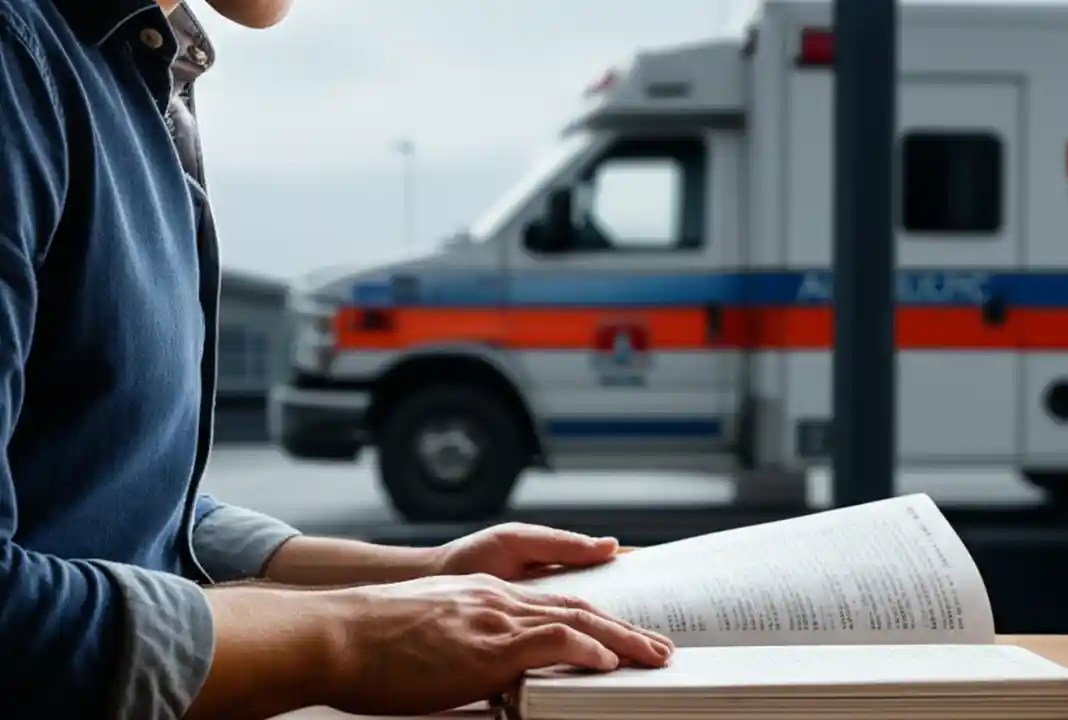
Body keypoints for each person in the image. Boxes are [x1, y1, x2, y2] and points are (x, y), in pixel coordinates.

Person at [0, 0, 674, 718]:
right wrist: (349, 639)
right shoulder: (18, 63)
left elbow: (115, 502)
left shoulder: (118, 68)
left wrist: (423, 573)